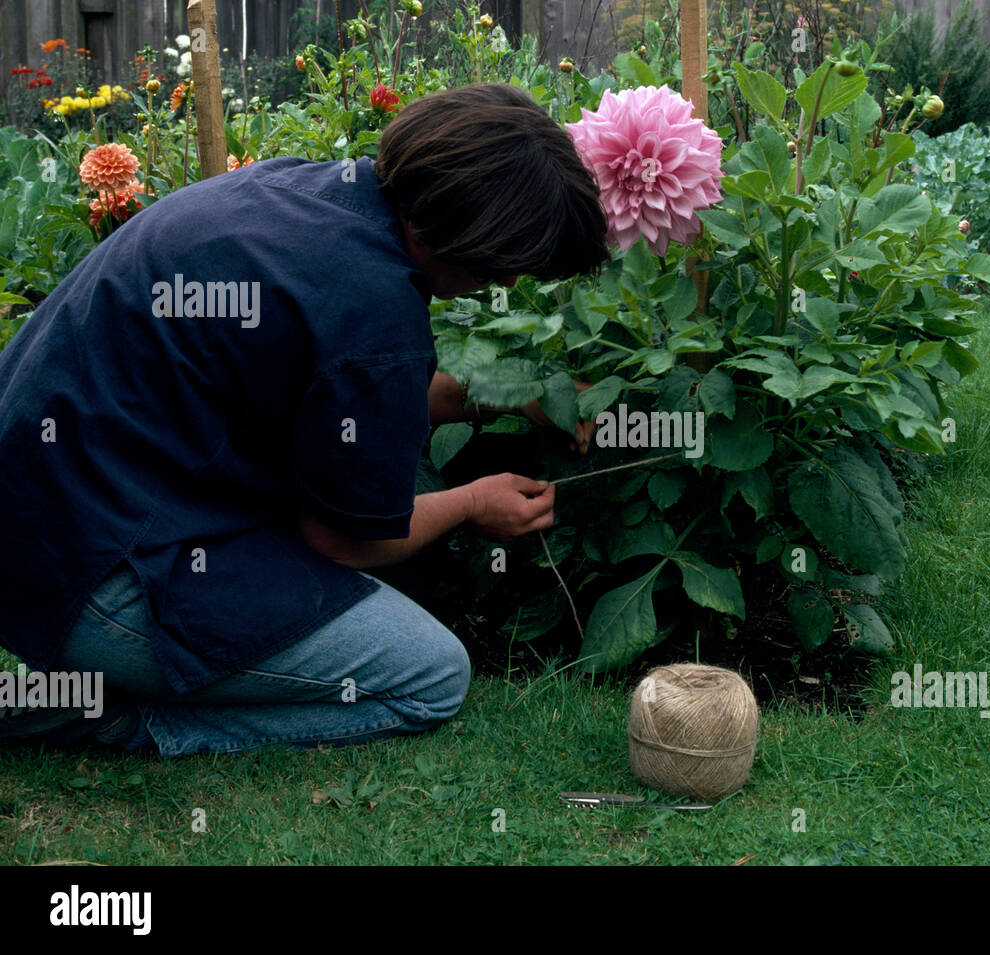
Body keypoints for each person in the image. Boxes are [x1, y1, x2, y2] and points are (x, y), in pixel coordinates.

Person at [0, 83, 608, 755]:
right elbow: (346, 541)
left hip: (40, 517)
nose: (513, 283)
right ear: (468, 241)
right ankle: (117, 719)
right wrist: (470, 503)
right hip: (95, 576)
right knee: (430, 675)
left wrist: (520, 393)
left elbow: (362, 389)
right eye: (512, 265)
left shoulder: (313, 192)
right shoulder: (371, 305)